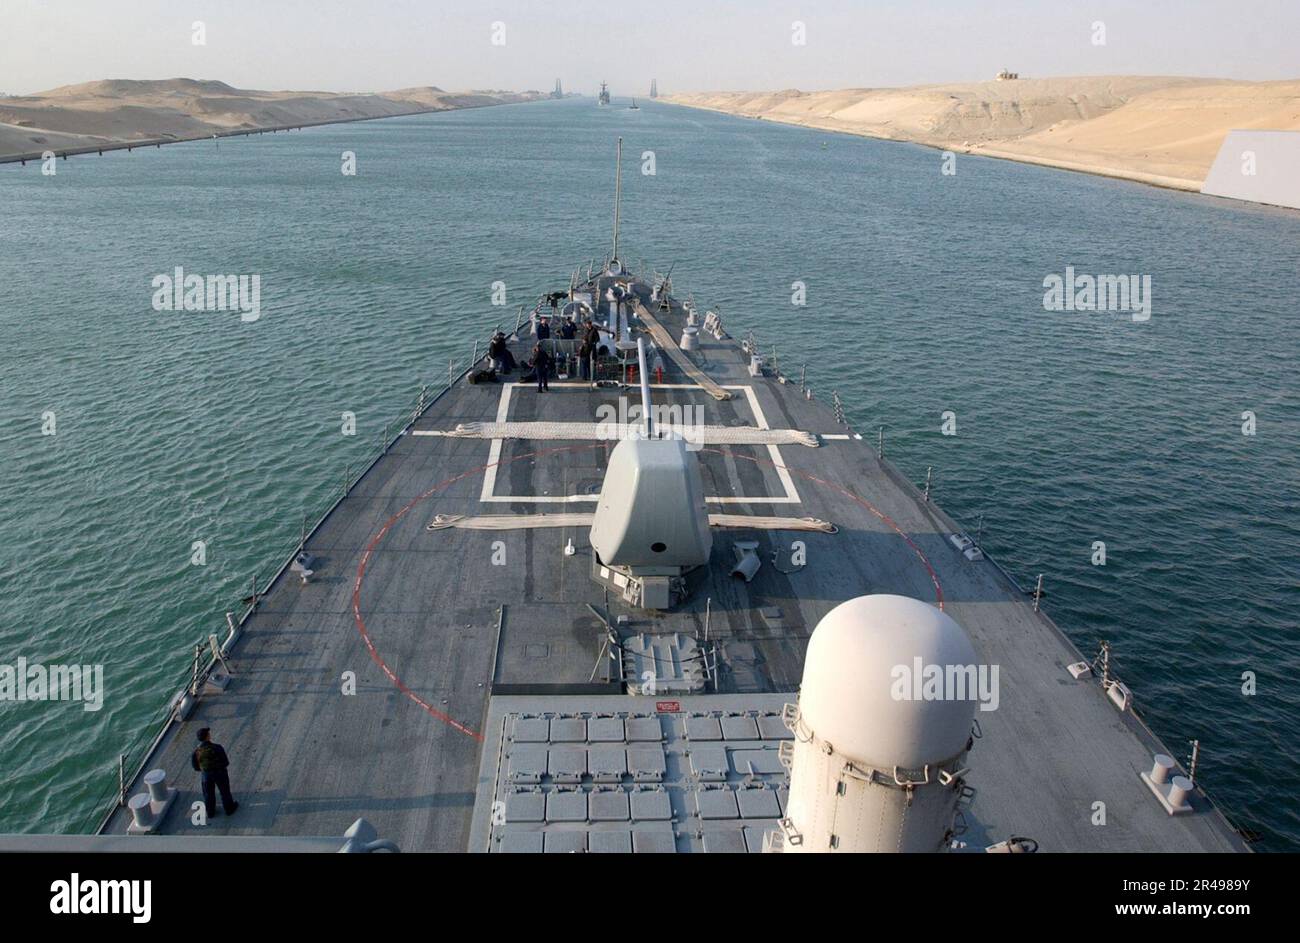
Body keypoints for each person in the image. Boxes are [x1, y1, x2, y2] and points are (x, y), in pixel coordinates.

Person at [191, 727, 239, 817]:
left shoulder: (196, 752)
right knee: (225, 791)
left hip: (206, 775)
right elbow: (225, 762)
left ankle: (210, 812)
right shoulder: (217, 747)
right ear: (207, 737)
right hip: (220, 773)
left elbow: (195, 767)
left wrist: (204, 770)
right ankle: (229, 809)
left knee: (208, 793)